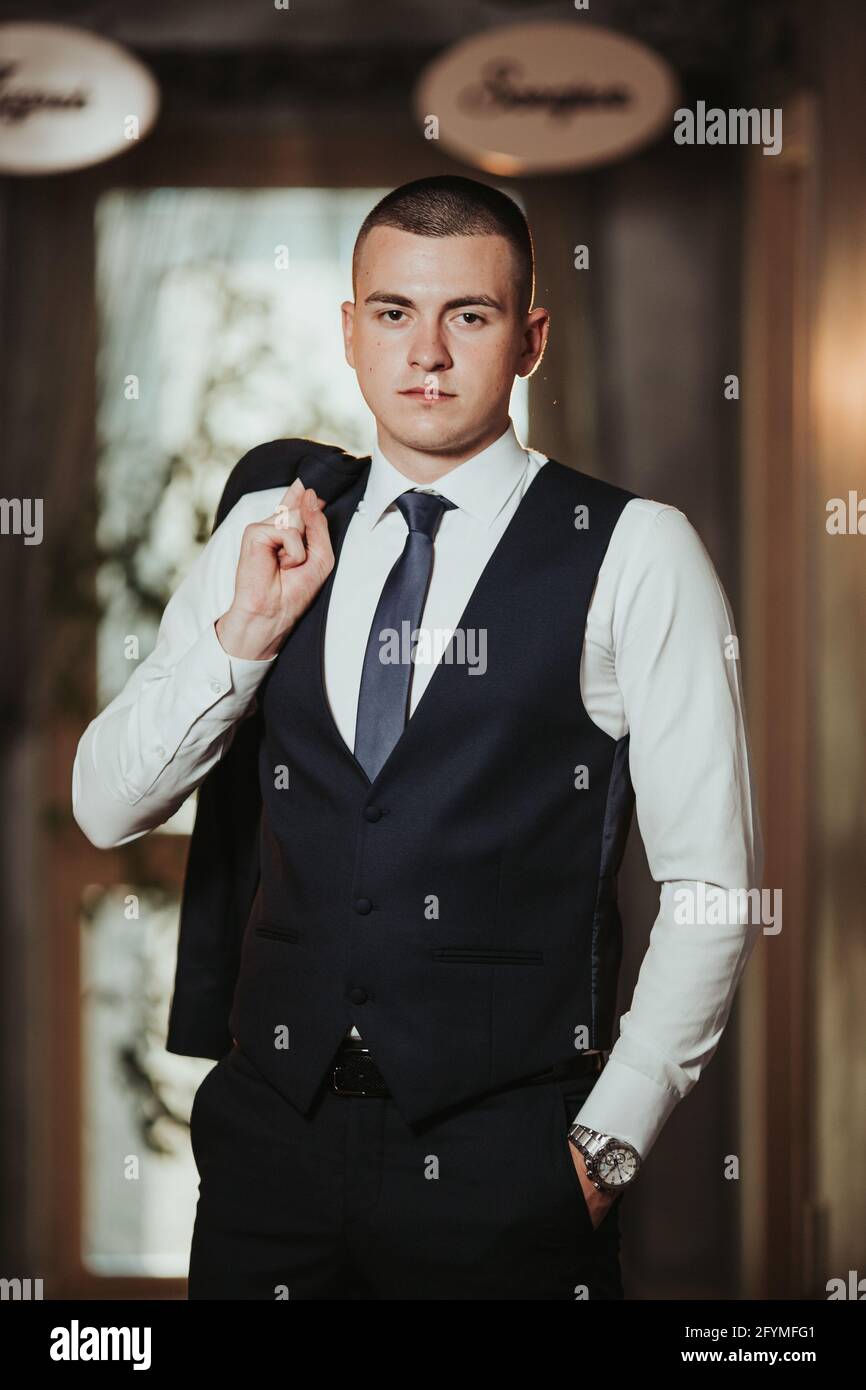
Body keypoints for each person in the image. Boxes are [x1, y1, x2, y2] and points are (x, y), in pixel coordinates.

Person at [72, 174, 763, 1300]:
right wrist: (244, 634)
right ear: (349, 332)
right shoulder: (272, 522)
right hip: (269, 1154)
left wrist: (606, 1148)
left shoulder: (635, 550)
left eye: (470, 316)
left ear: (529, 337)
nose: (426, 354)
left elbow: (709, 885)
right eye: (393, 313)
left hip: (507, 1167)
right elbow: (106, 803)